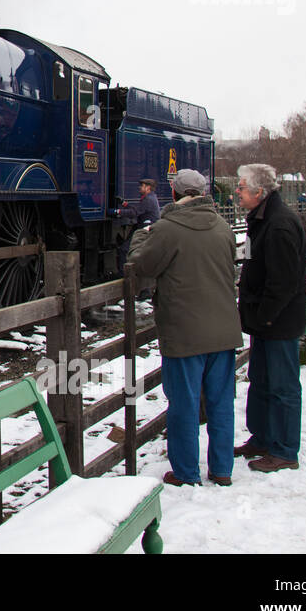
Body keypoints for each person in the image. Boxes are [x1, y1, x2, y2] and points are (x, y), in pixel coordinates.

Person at [128, 169, 241, 486]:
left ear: (175, 194)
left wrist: (140, 235)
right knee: (221, 404)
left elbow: (142, 264)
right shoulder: (223, 226)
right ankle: (222, 470)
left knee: (184, 405)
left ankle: (186, 472)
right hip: (224, 329)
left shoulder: (167, 228)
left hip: (185, 332)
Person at [234, 163, 306, 472]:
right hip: (263, 322)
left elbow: (283, 282)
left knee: (282, 386)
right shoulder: (259, 221)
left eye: (241, 188)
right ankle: (262, 437)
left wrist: (263, 316)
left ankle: (285, 450)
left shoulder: (278, 225)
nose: (236, 192)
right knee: (261, 381)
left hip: (277, 322)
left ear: (258, 192)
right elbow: (252, 262)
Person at [113, 178, 162, 286]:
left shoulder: (148, 199)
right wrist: (124, 203)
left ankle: (124, 277)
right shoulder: (149, 198)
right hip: (144, 227)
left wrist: (118, 211)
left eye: (142, 185)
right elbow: (137, 209)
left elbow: (135, 212)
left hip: (145, 229)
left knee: (125, 250)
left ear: (148, 187)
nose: (140, 187)